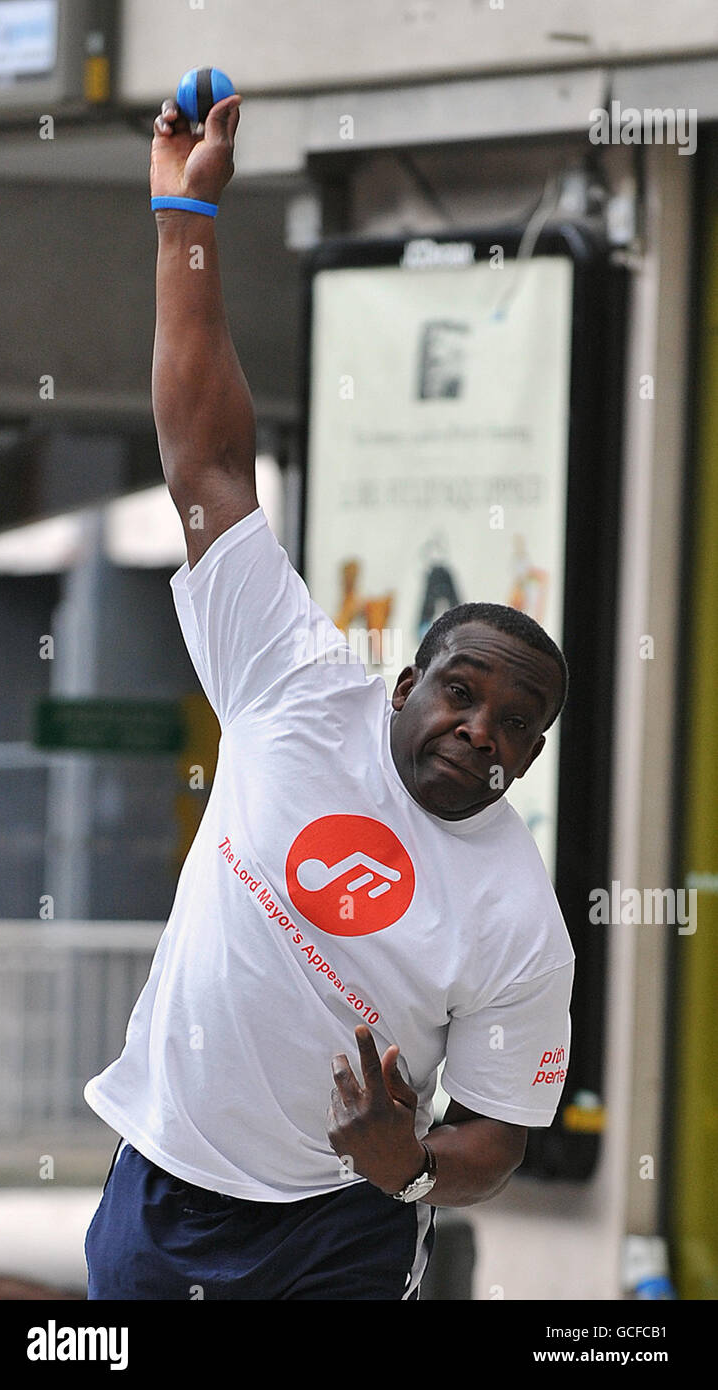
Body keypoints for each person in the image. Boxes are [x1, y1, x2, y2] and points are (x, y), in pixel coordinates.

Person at [83, 93, 575, 1302]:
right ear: (405, 683)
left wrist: (411, 1164)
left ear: (529, 756)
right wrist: (187, 218)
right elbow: (207, 460)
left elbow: (496, 1141)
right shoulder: (293, 686)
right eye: (462, 692)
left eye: (516, 725)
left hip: (338, 1235)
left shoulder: (519, 917)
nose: (481, 728)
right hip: (164, 1189)